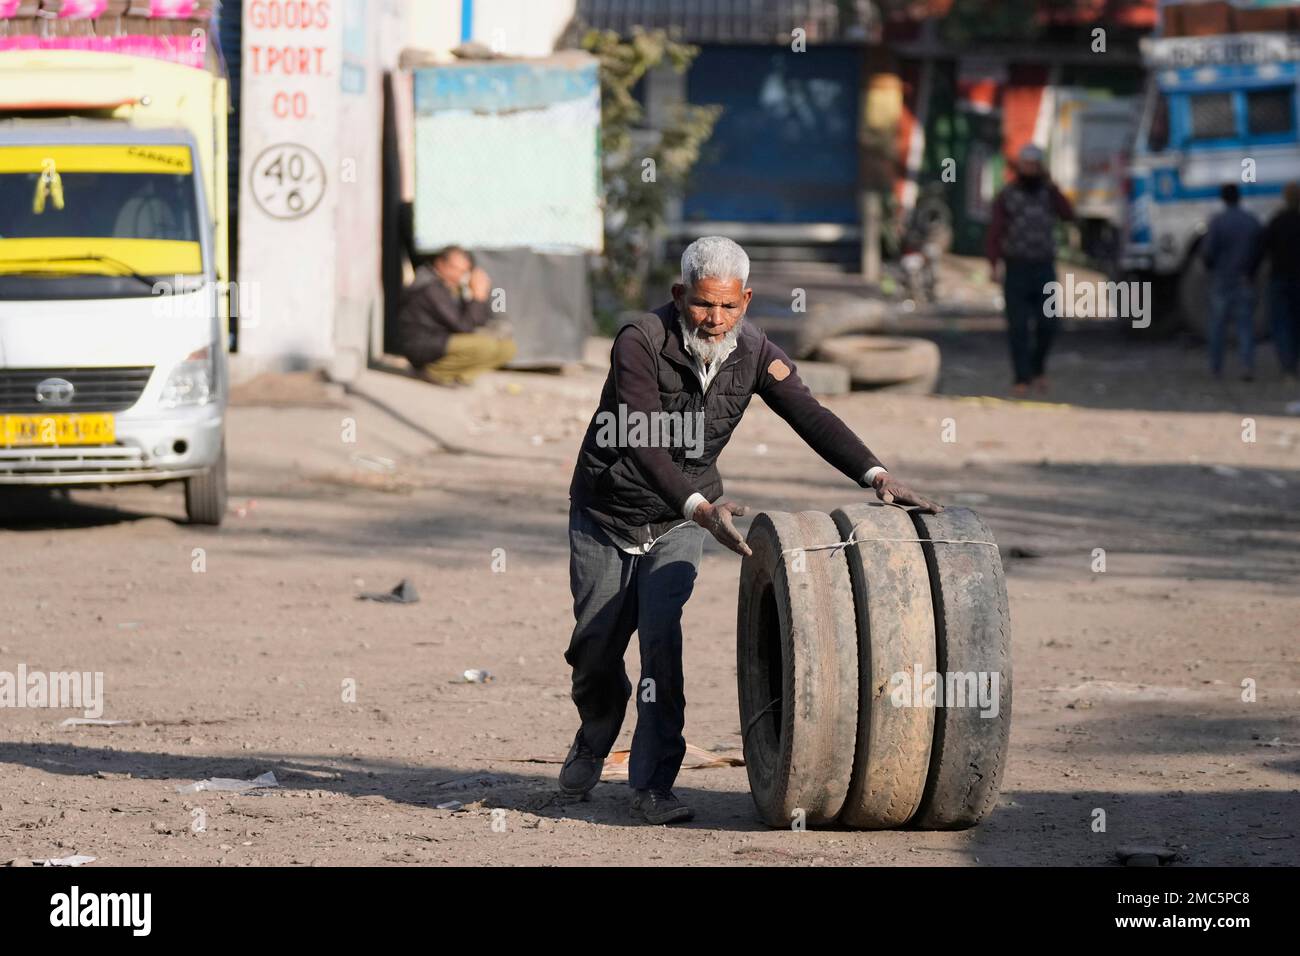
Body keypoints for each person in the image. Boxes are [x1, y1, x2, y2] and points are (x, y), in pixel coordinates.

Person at [560, 236, 942, 824]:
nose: (715, 321)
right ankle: (595, 731)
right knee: (595, 647)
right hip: (606, 513)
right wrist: (696, 506)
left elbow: (809, 413)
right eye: (702, 306)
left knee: (662, 642)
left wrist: (876, 474)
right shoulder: (639, 341)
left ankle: (654, 785)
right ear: (679, 295)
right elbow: (639, 439)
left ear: (746, 301)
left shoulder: (755, 353)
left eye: (729, 307)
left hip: (684, 522)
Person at [986, 143, 1075, 397]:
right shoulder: (1007, 195)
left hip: (1043, 266)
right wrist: (994, 264)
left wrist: (1053, 186)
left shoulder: (1049, 193)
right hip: (1016, 268)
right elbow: (994, 232)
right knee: (1018, 326)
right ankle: (1021, 377)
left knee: (1049, 324)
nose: (1030, 169)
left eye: (1034, 165)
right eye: (1026, 164)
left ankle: (1038, 369)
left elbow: (1068, 214)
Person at [395, 245, 515, 386]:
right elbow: (463, 326)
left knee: (507, 348)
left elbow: (478, 321)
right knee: (485, 346)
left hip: (442, 339)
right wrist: (477, 297)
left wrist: (477, 296)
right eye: (455, 269)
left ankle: (459, 376)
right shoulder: (430, 287)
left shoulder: (452, 287)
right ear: (440, 263)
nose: (459, 275)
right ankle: (433, 372)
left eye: (464, 271)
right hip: (424, 344)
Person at [1202, 183, 1263, 381]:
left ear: (1223, 199)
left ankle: (1215, 368)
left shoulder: (1217, 222)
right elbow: (1259, 251)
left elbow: (1208, 252)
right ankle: (1247, 366)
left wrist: (1212, 269)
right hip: (1244, 278)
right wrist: (1251, 272)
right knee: (1245, 326)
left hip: (1222, 278)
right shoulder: (1251, 221)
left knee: (1218, 326)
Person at [1259, 182, 1300, 382]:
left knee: (1282, 325)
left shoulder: (1278, 221)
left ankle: (1288, 368)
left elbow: (1263, 247)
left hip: (1280, 278)